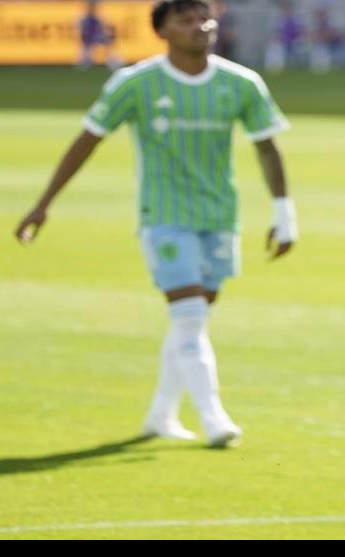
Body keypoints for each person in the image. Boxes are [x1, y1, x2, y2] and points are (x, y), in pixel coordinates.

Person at [16, 0, 297, 448]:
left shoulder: (241, 83)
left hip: (220, 216)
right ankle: (214, 417)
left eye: (204, 17)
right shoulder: (136, 83)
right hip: (163, 217)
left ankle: (160, 414)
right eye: (185, 20)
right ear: (162, 31)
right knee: (188, 318)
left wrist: (284, 214)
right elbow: (87, 139)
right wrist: (43, 203)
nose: (199, 26)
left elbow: (267, 146)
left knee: (194, 319)